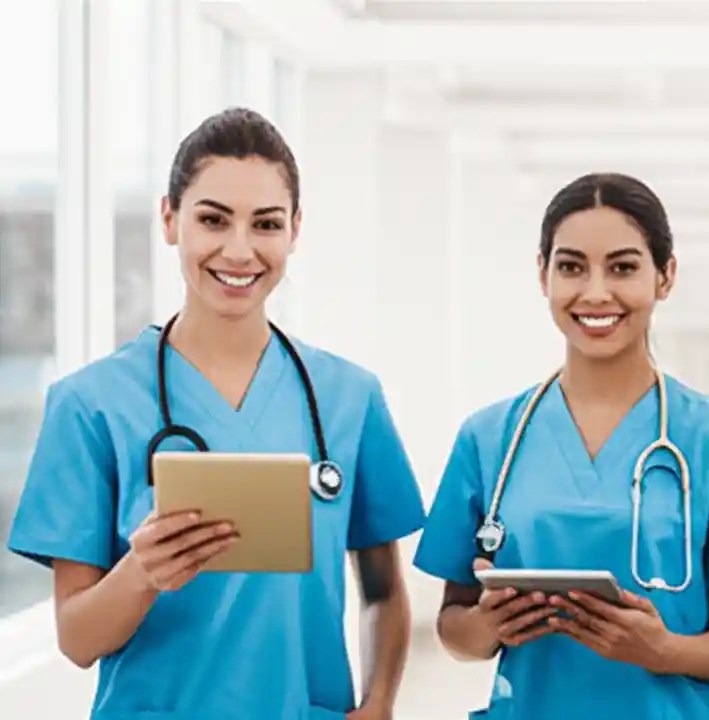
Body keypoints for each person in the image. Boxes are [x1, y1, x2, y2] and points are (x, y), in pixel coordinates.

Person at [6, 107, 425, 720]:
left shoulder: (348, 398)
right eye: (213, 219)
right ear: (170, 219)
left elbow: (384, 591)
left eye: (266, 224)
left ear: (295, 231)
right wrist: (142, 572)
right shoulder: (91, 404)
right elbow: (77, 639)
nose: (239, 249)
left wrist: (380, 701)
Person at [412, 172, 709, 720]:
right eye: (571, 267)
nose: (596, 293)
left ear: (664, 276)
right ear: (542, 274)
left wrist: (664, 651)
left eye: (623, 267)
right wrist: (486, 627)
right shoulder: (488, 438)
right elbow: (454, 627)